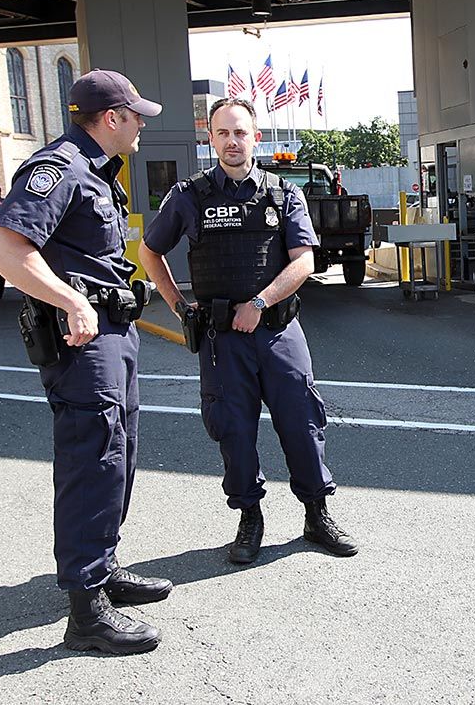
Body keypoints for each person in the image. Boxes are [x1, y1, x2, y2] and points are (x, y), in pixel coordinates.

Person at [0, 69, 172, 656]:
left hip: (111, 333)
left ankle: (103, 567)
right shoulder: (60, 167)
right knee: (93, 459)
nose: (141, 126)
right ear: (111, 118)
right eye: (136, 116)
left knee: (118, 456)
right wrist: (70, 300)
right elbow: (2, 248)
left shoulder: (97, 171)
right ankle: (86, 611)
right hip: (83, 341)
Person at [139, 97, 357, 565]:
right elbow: (149, 252)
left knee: (302, 422)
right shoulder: (189, 196)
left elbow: (304, 261)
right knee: (234, 431)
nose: (232, 141)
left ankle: (316, 514)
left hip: (277, 331)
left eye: (240, 132)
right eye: (222, 133)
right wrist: (179, 306)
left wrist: (260, 303)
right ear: (210, 139)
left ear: (255, 137)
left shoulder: (283, 194)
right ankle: (249, 518)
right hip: (221, 340)